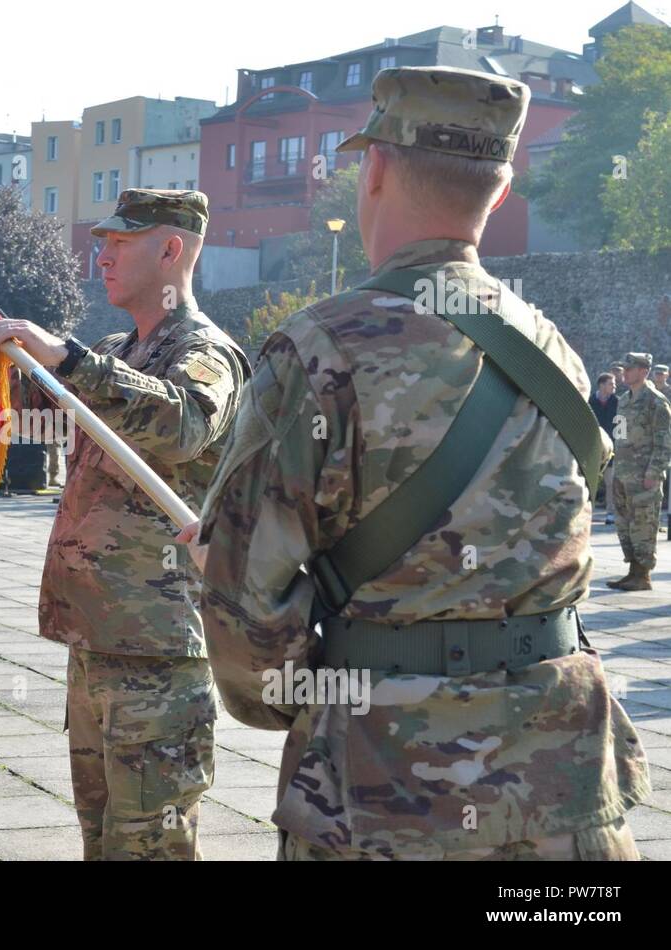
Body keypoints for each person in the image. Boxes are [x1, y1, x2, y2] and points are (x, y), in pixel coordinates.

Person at [192, 66, 648, 861]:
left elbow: (247, 616)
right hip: (566, 795)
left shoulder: (320, 349)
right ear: (499, 192)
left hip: (384, 800)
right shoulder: (557, 354)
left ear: (372, 170)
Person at [0, 189, 248, 861]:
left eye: (120, 242)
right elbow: (26, 404)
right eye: (102, 241)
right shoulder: (114, 349)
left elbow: (184, 423)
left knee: (147, 846)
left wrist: (70, 361)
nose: (101, 256)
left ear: (171, 249)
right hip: (96, 638)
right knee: (101, 842)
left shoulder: (206, 352)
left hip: (157, 651)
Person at [606, 352, 671, 591]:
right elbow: (619, 436)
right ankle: (632, 570)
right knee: (624, 524)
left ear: (644, 372)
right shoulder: (623, 401)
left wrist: (654, 473)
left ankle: (643, 575)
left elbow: (664, 442)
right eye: (624, 368)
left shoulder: (656, 402)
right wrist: (614, 464)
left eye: (630, 369)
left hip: (644, 476)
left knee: (643, 525)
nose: (625, 372)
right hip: (623, 473)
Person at [590, 372, 620, 524]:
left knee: (611, 482)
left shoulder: (617, 402)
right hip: (592, 448)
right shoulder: (589, 401)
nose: (614, 386)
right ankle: (588, 512)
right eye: (611, 383)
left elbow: (622, 424)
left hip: (611, 449)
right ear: (602, 385)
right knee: (590, 482)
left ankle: (610, 513)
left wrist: (620, 443)